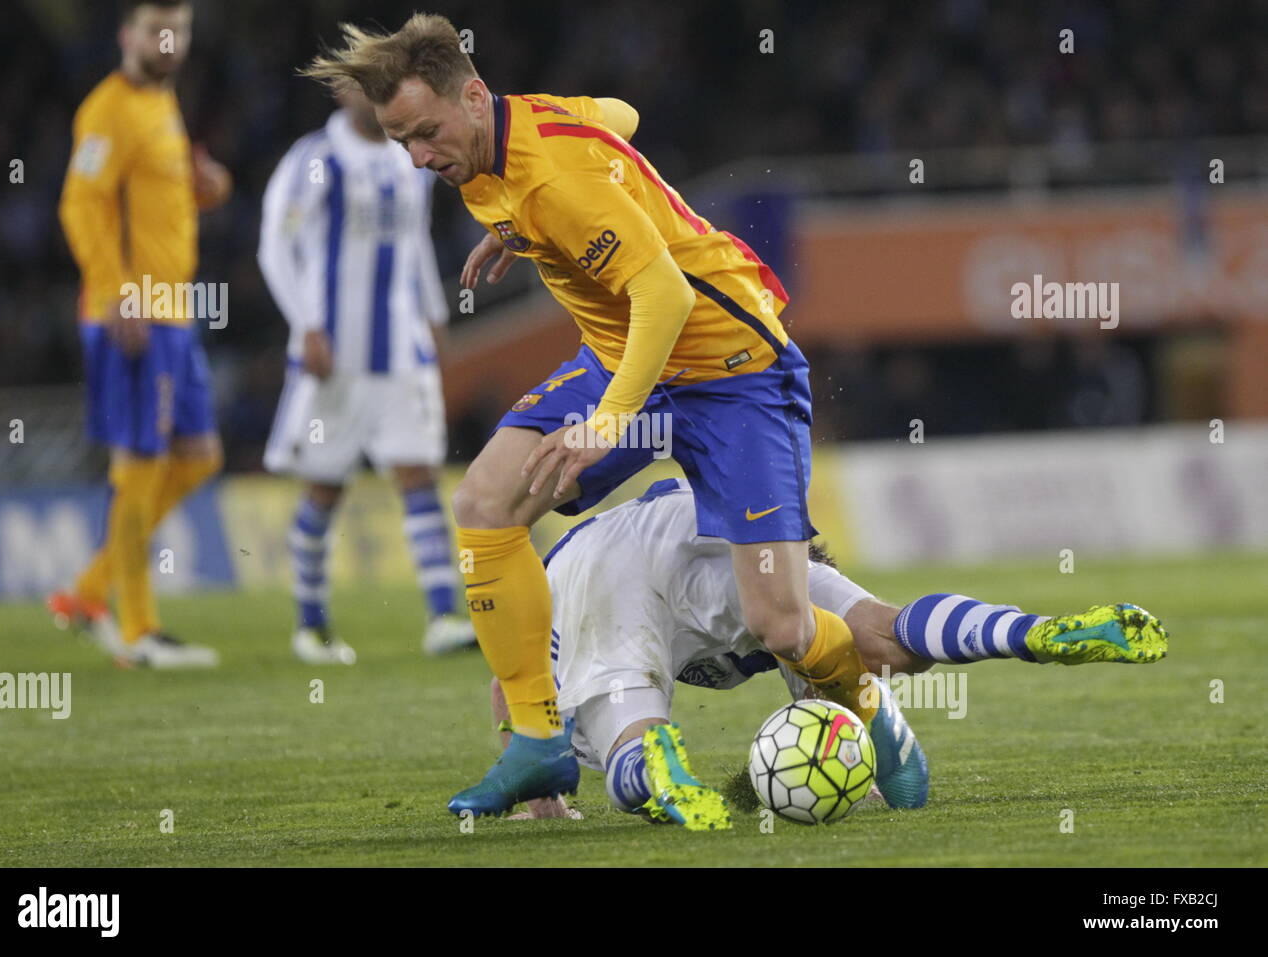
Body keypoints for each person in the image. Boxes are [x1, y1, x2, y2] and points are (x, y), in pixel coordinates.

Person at [303, 14, 856, 817]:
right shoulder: (500, 142)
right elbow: (618, 115)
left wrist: (605, 423)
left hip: (722, 360)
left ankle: (874, 715)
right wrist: (526, 236)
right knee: (484, 502)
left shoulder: (553, 180)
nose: (419, 157)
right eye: (401, 143)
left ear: (473, 95)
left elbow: (662, 292)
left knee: (780, 622)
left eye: (425, 133)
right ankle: (537, 743)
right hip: (620, 348)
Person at [490, 478, 1168, 828]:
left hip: (656, 544)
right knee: (884, 634)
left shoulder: (556, 614)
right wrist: (881, 747)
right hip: (738, 538)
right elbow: (910, 781)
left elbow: (507, 681)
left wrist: (541, 782)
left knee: (621, 743)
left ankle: (653, 762)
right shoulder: (799, 613)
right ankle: (1024, 632)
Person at [258, 84, 475, 662]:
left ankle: (443, 617)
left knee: (419, 474)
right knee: (325, 485)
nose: (377, 94)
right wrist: (305, 324)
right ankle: (311, 625)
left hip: (401, 348)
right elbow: (273, 249)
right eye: (366, 83)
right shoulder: (313, 158)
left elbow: (414, 243)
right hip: (335, 353)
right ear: (340, 88)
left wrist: (433, 311)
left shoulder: (411, 158)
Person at [51, 0, 230, 668]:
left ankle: (91, 589)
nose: (170, 39)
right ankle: (139, 630)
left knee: (201, 455)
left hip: (175, 311)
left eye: (179, 29)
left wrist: (209, 188)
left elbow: (162, 197)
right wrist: (116, 288)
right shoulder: (108, 109)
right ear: (128, 35)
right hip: (133, 311)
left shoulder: (163, 102)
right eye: (158, 28)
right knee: (141, 464)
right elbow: (80, 203)